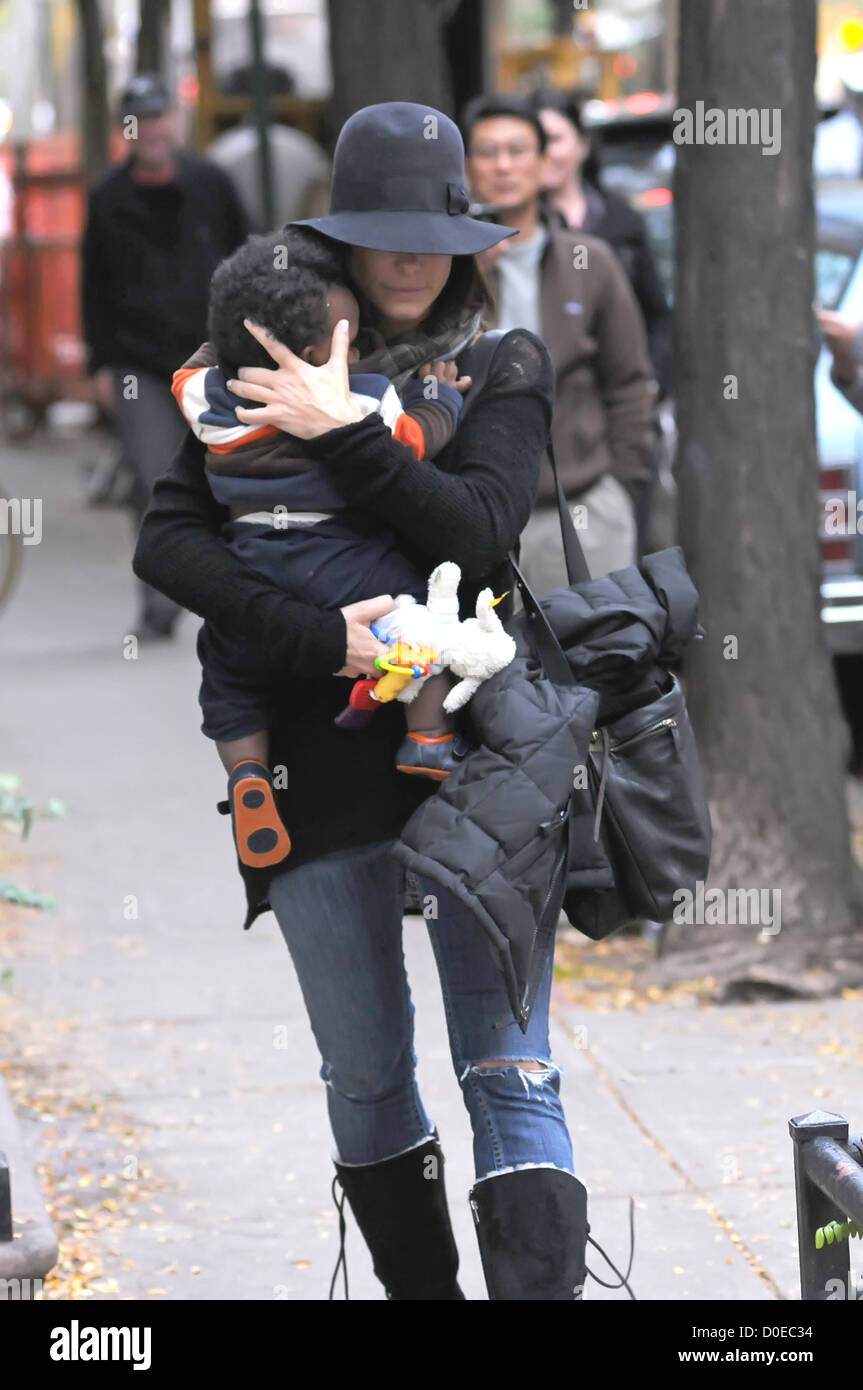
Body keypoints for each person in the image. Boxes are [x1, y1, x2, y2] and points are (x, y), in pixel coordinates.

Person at [134, 101, 589, 1301]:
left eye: (426, 232)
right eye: (377, 231)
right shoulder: (269, 346)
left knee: (509, 1070)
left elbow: (479, 536)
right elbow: (170, 546)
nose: (403, 257)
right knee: (366, 1076)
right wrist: (321, 640)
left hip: (480, 767)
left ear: (465, 238)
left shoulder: (502, 363)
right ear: (340, 234)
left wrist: (346, 433)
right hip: (309, 769)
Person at [172, 226, 475, 868]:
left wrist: (233, 341)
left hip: (252, 559)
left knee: (227, 674)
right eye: (351, 335)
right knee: (419, 621)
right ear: (314, 352)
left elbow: (185, 376)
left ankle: (248, 777)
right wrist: (442, 396)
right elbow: (414, 444)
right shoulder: (362, 398)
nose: (362, 343)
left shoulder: (209, 397)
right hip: (345, 563)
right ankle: (426, 735)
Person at [80, 73, 251, 640]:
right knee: (154, 478)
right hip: (139, 368)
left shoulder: (212, 184)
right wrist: (101, 365)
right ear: (124, 130)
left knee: (232, 475)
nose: (149, 129)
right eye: (138, 120)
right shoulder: (106, 200)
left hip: (212, 356)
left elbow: (249, 256)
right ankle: (159, 604)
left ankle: (242, 599)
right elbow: (93, 289)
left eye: (158, 117)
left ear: (172, 122)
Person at [462, 93, 657, 590]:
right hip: (476, 516)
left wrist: (620, 484)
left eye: (518, 149)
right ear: (467, 166)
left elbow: (631, 381)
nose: (503, 165)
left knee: (597, 661)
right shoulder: (446, 272)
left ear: (544, 161)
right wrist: (469, 272)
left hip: (585, 505)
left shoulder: (588, 261)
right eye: (487, 152)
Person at [533, 89, 672, 398]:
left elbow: (656, 312)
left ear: (582, 145)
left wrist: (651, 382)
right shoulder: (519, 229)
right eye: (535, 141)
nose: (545, 153)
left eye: (554, 139)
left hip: (618, 397)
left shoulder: (622, 221)